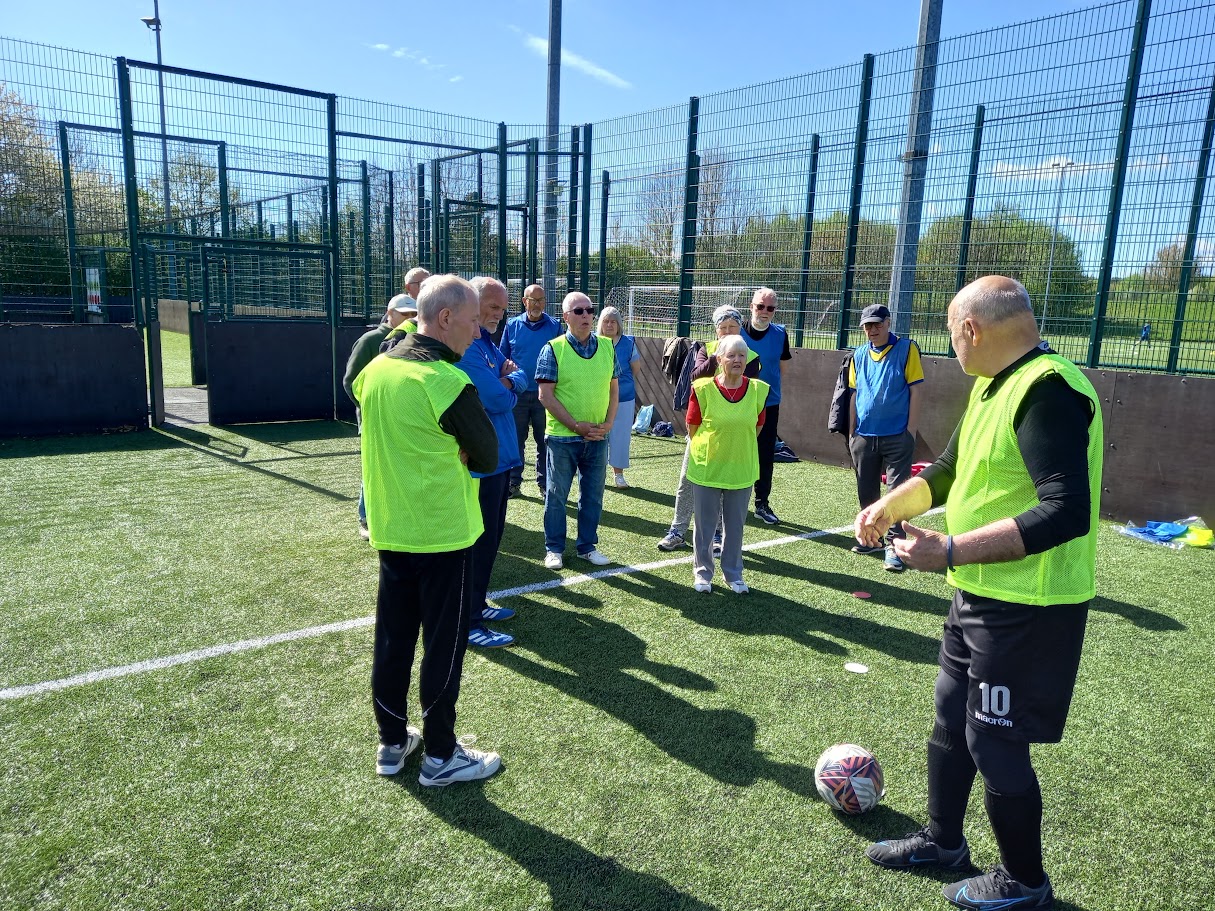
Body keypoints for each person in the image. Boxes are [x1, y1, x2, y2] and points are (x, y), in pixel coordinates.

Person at [854, 276, 1103, 910]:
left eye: (949, 332)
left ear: (972, 329)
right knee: (949, 719)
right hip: (977, 595)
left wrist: (951, 550)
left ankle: (1024, 884)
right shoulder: (993, 385)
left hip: (1029, 607)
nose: (950, 346)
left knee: (994, 740)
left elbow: (1066, 509)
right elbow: (947, 472)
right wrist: (889, 505)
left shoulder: (1049, 390)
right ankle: (943, 841)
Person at [352, 274, 502, 787]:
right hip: (443, 534)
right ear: (444, 319)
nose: (478, 331)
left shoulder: (374, 371)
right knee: (443, 646)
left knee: (392, 641)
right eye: (473, 320)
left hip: (391, 529)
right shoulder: (446, 381)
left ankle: (392, 743)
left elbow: (360, 395)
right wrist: (457, 448)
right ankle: (440, 755)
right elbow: (488, 454)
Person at [456, 277, 528, 650]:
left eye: (502, 308)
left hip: (500, 461)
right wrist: (509, 382)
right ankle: (467, 622)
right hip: (480, 465)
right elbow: (497, 399)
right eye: (493, 306)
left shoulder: (486, 342)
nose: (499, 314)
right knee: (475, 544)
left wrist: (508, 380)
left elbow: (517, 376)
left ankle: (478, 605)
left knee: (491, 540)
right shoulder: (468, 348)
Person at [657, 305, 760, 552]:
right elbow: (696, 378)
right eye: (722, 328)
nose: (727, 332)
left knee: (725, 485)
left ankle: (717, 534)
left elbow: (752, 396)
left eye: (732, 328)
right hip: (704, 431)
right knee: (687, 481)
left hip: (733, 436)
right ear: (715, 330)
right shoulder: (706, 350)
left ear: (740, 328)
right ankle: (677, 530)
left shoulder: (751, 357)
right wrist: (717, 358)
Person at [536, 292, 620, 570]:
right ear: (566, 317)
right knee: (557, 494)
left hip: (597, 437)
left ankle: (586, 546)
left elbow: (613, 389)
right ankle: (554, 549)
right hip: (562, 438)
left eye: (589, 310)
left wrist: (607, 425)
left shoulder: (608, 347)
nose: (586, 315)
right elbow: (545, 396)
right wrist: (575, 426)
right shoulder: (553, 348)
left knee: (593, 495)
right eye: (578, 311)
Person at [686, 334, 769, 594]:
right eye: (730, 355)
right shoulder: (702, 388)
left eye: (741, 355)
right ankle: (703, 573)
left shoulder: (758, 390)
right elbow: (692, 427)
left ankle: (733, 573)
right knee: (705, 525)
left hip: (741, 469)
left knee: (735, 526)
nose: (736, 360)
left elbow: (758, 425)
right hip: (708, 468)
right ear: (719, 359)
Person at [849, 303, 924, 573]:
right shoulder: (857, 354)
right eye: (867, 326)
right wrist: (852, 432)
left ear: (888, 322)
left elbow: (916, 391)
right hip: (864, 436)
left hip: (897, 435)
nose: (872, 330)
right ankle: (872, 538)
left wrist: (910, 431)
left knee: (896, 494)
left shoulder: (907, 349)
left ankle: (895, 546)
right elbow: (855, 394)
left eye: (877, 324)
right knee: (866, 491)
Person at [343, 293, 418, 540]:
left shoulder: (412, 339)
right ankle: (366, 517)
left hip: (402, 419)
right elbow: (352, 381)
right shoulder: (371, 340)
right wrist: (373, 407)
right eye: (404, 313)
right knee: (373, 470)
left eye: (412, 314)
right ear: (390, 312)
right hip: (374, 421)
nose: (409, 317)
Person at [500, 284, 563, 497]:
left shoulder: (554, 326)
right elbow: (503, 358)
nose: (537, 304)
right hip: (517, 394)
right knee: (515, 440)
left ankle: (545, 484)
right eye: (532, 300)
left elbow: (561, 360)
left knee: (544, 441)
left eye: (541, 300)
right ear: (524, 301)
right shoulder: (511, 325)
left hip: (544, 395)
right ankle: (513, 483)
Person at [741, 287, 792, 525]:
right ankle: (731, 500)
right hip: (737, 402)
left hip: (768, 404)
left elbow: (782, 369)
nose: (764, 311)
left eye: (770, 308)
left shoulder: (781, 334)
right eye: (760, 306)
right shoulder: (737, 331)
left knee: (765, 455)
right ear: (751, 306)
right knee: (736, 451)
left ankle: (762, 503)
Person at [597, 306, 640, 489]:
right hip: (598, 398)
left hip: (624, 397)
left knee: (621, 436)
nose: (609, 325)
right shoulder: (594, 342)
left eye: (613, 321)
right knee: (598, 434)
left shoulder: (629, 343)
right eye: (606, 321)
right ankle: (597, 473)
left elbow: (635, 369)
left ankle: (618, 475)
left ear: (619, 324)